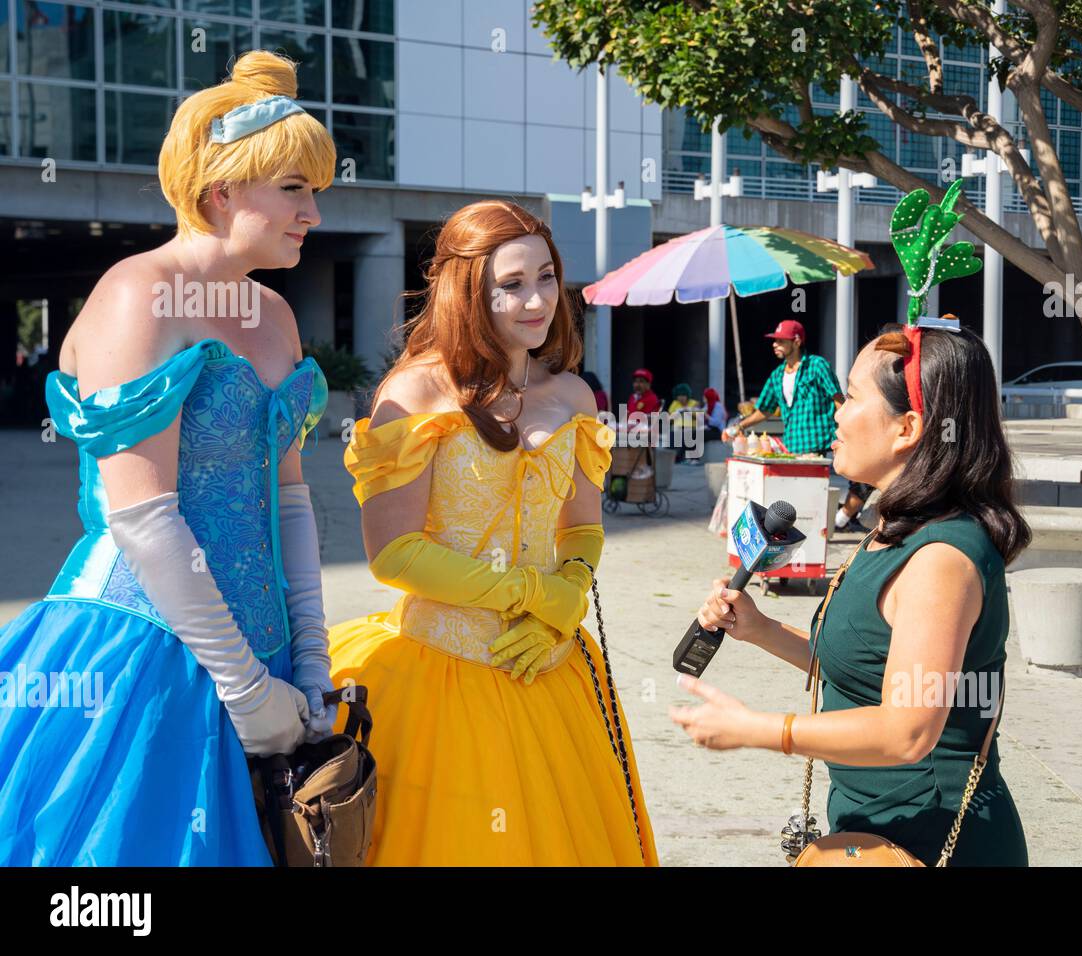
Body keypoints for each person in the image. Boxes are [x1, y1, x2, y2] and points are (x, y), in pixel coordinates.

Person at [0, 51, 335, 865]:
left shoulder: (275, 316)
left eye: (315, 191)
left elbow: (289, 497)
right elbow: (143, 518)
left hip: (268, 658)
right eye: (294, 189)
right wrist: (248, 690)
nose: (314, 214)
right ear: (222, 191)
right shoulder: (138, 294)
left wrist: (313, 656)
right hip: (140, 648)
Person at [326, 200, 657, 866]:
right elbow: (392, 553)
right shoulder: (416, 392)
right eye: (511, 284)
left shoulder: (574, 396)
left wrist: (569, 595)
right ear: (467, 289)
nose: (536, 300)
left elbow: (584, 527)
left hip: (553, 672)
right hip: (440, 679)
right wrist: (531, 593)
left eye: (545, 277)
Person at [674, 323, 1031, 866]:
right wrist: (760, 629)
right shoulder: (895, 528)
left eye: (852, 397)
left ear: (907, 427)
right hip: (871, 831)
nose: (835, 414)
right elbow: (863, 672)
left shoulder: (942, 558)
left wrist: (759, 730)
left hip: (933, 839)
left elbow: (907, 729)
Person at [730, 319, 869, 531]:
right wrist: (741, 425)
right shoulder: (777, 375)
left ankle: (838, 521)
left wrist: (850, 432)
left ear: (796, 341)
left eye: (779, 341)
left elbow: (838, 398)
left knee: (861, 482)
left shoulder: (817, 365)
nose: (774, 344)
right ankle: (815, 532)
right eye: (774, 341)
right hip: (795, 446)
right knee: (802, 498)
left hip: (825, 441)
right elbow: (764, 410)